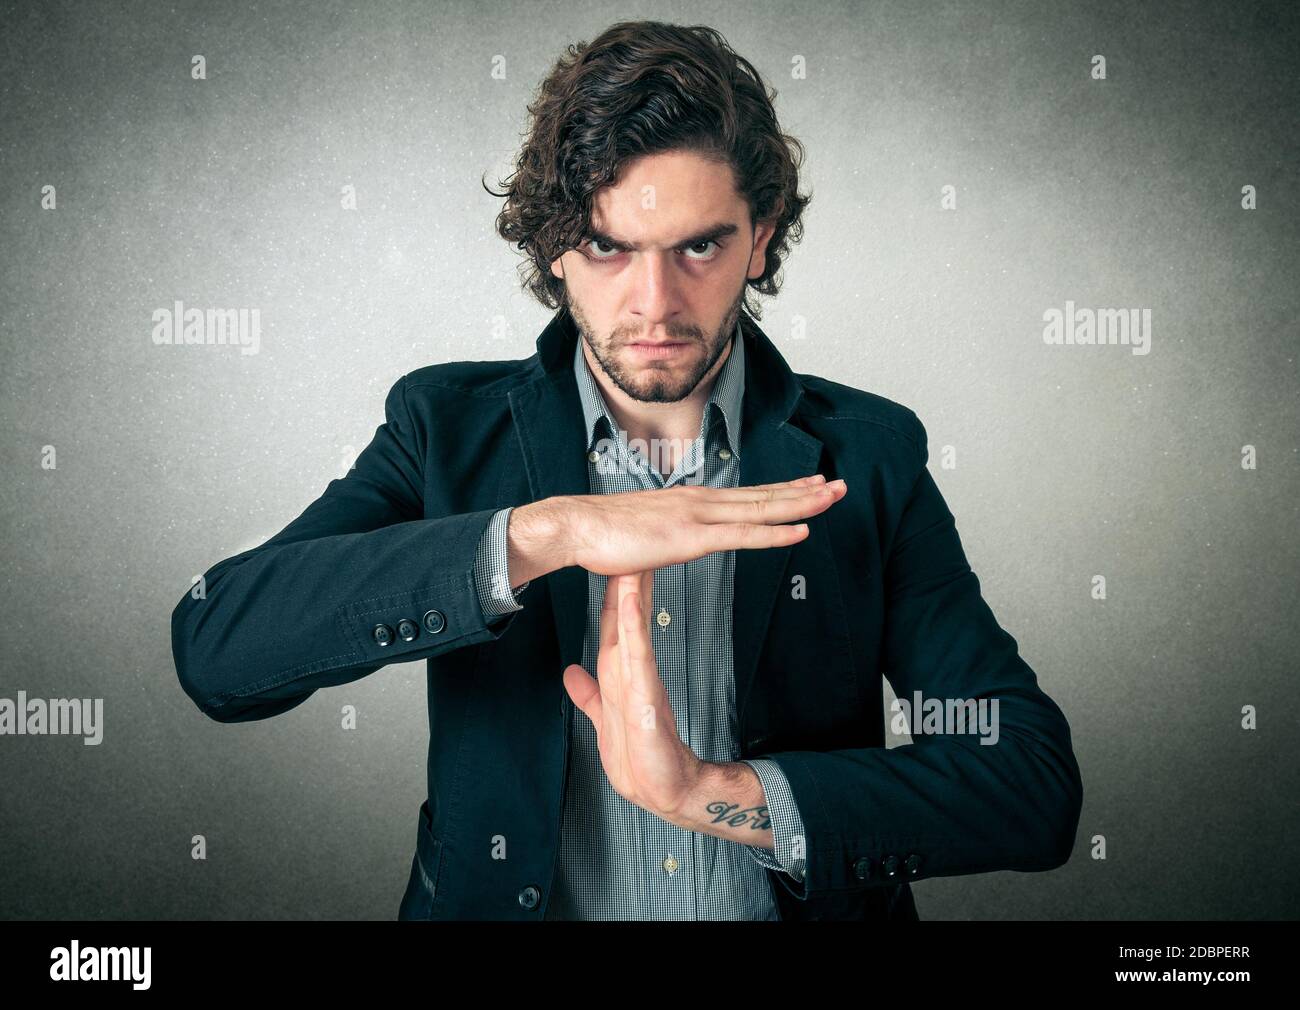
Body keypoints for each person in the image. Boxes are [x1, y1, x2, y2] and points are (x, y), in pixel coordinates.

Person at [171, 19, 1083, 921]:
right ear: (556, 247)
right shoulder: (444, 428)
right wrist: (547, 533)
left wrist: (710, 793)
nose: (655, 304)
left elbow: (1028, 784)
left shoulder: (869, 455)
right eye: (608, 247)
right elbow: (219, 649)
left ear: (760, 239)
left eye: (700, 245)